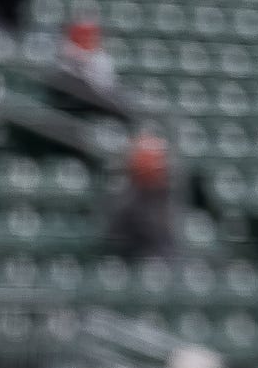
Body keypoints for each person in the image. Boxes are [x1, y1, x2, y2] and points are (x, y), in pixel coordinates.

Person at [102, 130, 178, 261]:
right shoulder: (127, 205)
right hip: (138, 263)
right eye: (156, 162)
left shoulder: (165, 197)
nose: (162, 166)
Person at [44, 15, 133, 123]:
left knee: (120, 101)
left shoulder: (101, 57)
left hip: (96, 96)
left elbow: (106, 84)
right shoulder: (65, 49)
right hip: (71, 93)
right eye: (81, 34)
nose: (86, 37)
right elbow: (68, 56)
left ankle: (127, 120)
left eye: (89, 34)